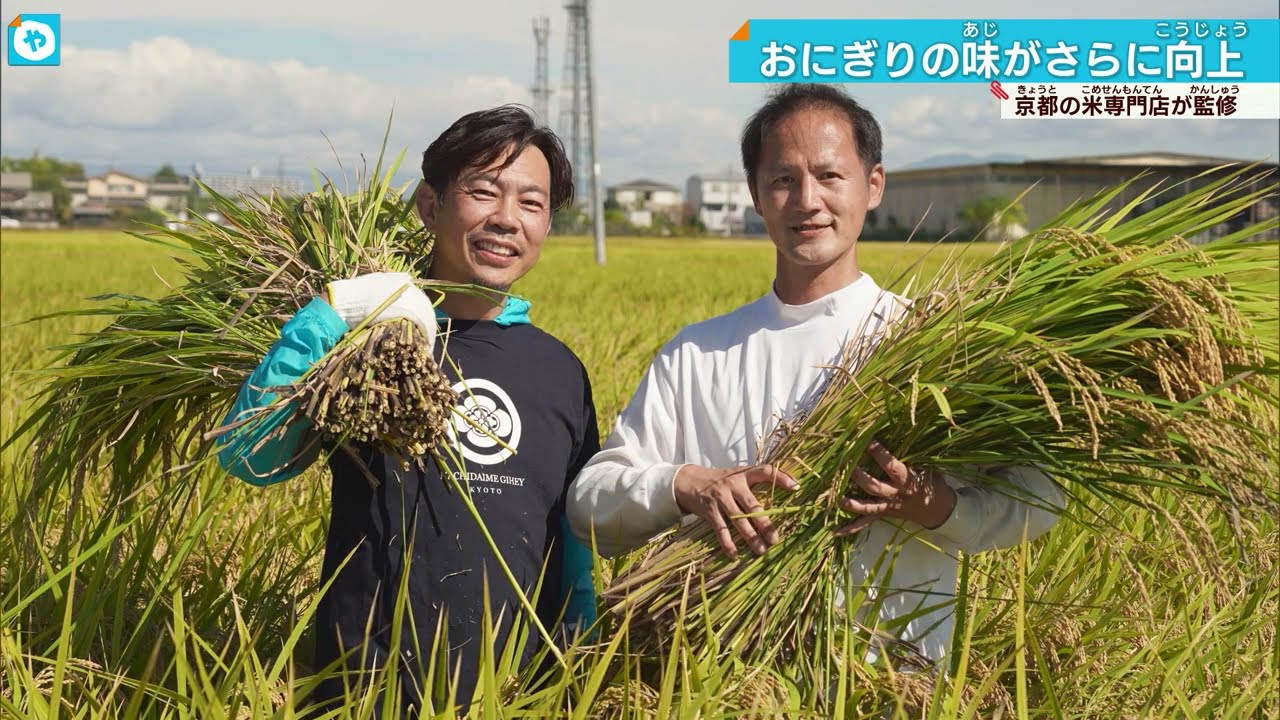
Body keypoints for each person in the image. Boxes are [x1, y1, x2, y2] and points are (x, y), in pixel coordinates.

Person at [566, 84, 1063, 667]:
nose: (807, 200)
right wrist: (688, 486)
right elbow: (590, 505)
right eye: (783, 180)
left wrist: (935, 506)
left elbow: (1040, 496)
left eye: (830, 176)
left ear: (872, 185)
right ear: (755, 192)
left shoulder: (934, 347)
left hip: (897, 688)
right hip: (724, 687)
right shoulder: (697, 354)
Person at [214, 105, 599, 711]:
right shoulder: (371, 345)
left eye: (531, 203)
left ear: (547, 224)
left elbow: (575, 540)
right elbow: (249, 453)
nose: (506, 219)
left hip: (509, 694)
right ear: (430, 205)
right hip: (361, 685)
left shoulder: (559, 371)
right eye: (482, 192)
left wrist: (581, 671)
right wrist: (330, 311)